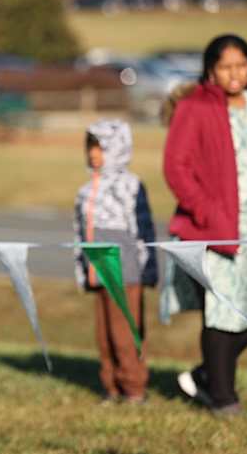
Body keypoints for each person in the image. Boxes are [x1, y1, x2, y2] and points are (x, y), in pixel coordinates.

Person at [164, 34, 247, 416]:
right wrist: (207, 212)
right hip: (219, 228)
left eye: (242, 65)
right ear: (211, 71)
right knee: (224, 312)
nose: (236, 74)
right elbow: (176, 167)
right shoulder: (195, 107)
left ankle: (205, 376)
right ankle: (224, 397)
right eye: (226, 67)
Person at [73, 119, 157, 404]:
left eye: (101, 147)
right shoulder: (85, 191)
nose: (94, 154)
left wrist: (149, 269)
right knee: (105, 334)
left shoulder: (131, 186)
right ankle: (110, 387)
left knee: (125, 333)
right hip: (98, 272)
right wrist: (82, 270)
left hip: (126, 272)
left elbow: (144, 229)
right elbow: (79, 233)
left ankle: (134, 388)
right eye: (91, 147)